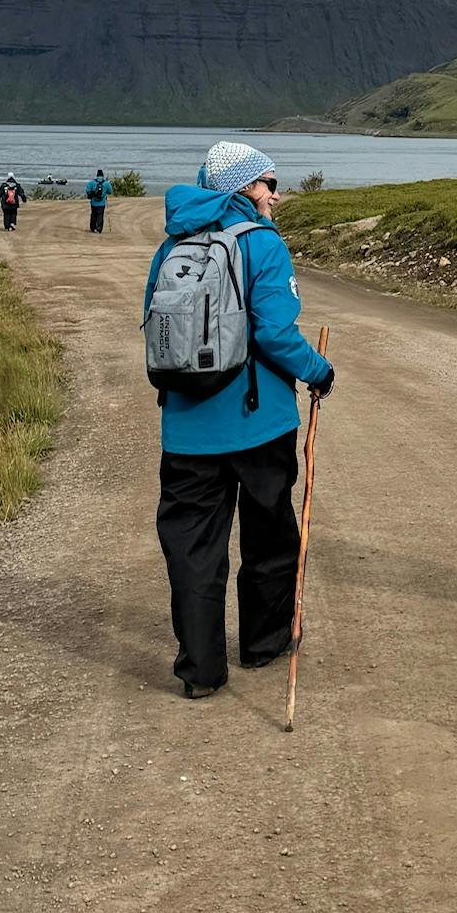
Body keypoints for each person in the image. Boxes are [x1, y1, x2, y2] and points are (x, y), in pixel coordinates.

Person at [145, 142, 335, 700]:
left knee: (192, 549)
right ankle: (263, 642)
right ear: (243, 189)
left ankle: (200, 670)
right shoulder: (263, 245)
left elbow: (156, 335)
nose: (276, 194)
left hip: (185, 428)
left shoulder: (172, 246)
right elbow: (275, 333)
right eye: (268, 183)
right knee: (269, 536)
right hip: (261, 425)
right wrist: (319, 371)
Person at [85, 168, 111, 235]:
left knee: (93, 214)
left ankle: (92, 228)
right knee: (100, 215)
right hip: (102, 203)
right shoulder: (106, 183)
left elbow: (87, 190)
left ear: (97, 175)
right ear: (103, 176)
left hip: (93, 202)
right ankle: (98, 229)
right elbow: (110, 191)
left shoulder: (91, 182)